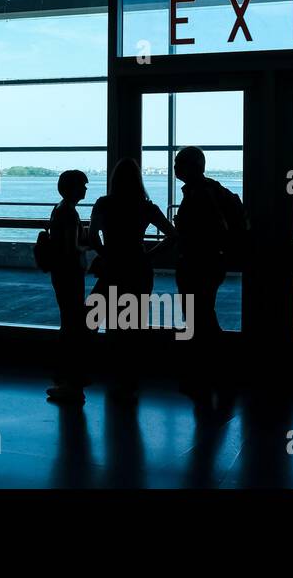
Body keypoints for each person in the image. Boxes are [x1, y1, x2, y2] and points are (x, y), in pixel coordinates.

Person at [88, 158, 175, 401]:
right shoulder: (146, 207)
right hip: (138, 269)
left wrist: (107, 256)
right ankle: (128, 379)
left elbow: (93, 238)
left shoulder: (103, 204)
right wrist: (148, 256)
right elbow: (172, 236)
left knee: (92, 319)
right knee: (132, 326)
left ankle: (82, 373)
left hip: (112, 269)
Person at [173, 146, 238, 408]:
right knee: (204, 317)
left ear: (190, 166)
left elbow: (195, 234)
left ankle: (214, 374)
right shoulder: (213, 189)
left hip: (197, 264)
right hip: (213, 263)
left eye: (178, 162)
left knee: (201, 320)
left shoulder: (197, 194)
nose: (175, 167)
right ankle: (213, 375)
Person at [46, 170, 90, 405]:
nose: (85, 189)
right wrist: (89, 246)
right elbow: (71, 249)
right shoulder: (70, 214)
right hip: (71, 275)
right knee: (74, 326)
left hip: (60, 275)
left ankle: (66, 379)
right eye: (83, 185)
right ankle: (73, 380)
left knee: (68, 323)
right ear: (73, 188)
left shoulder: (58, 209)